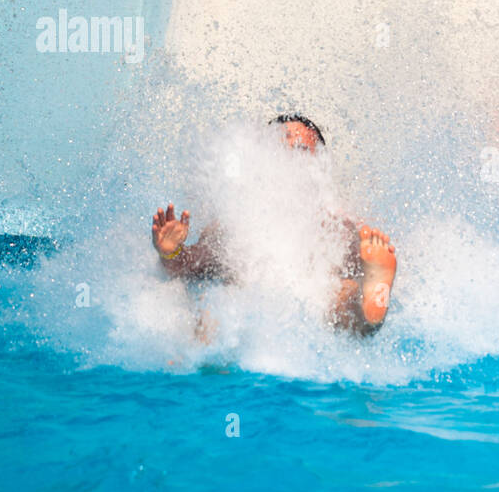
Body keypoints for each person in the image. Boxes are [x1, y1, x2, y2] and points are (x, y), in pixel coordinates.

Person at [149, 114, 398, 335]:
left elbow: (358, 258)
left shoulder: (337, 227)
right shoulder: (233, 224)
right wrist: (172, 252)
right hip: (252, 317)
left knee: (345, 291)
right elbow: (187, 268)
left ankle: (372, 300)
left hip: (313, 313)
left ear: (320, 167)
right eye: (280, 151)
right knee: (215, 302)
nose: (289, 159)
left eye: (300, 150)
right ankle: (206, 362)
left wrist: (370, 267)